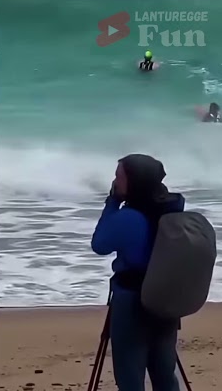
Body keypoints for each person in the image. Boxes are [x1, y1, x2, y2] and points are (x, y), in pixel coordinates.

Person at [91, 154, 186, 391]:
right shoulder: (171, 212)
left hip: (132, 302)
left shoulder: (129, 217)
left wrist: (112, 201)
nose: (115, 181)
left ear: (134, 181)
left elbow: (99, 244)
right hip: (166, 300)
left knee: (130, 376)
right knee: (165, 374)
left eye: (119, 176)